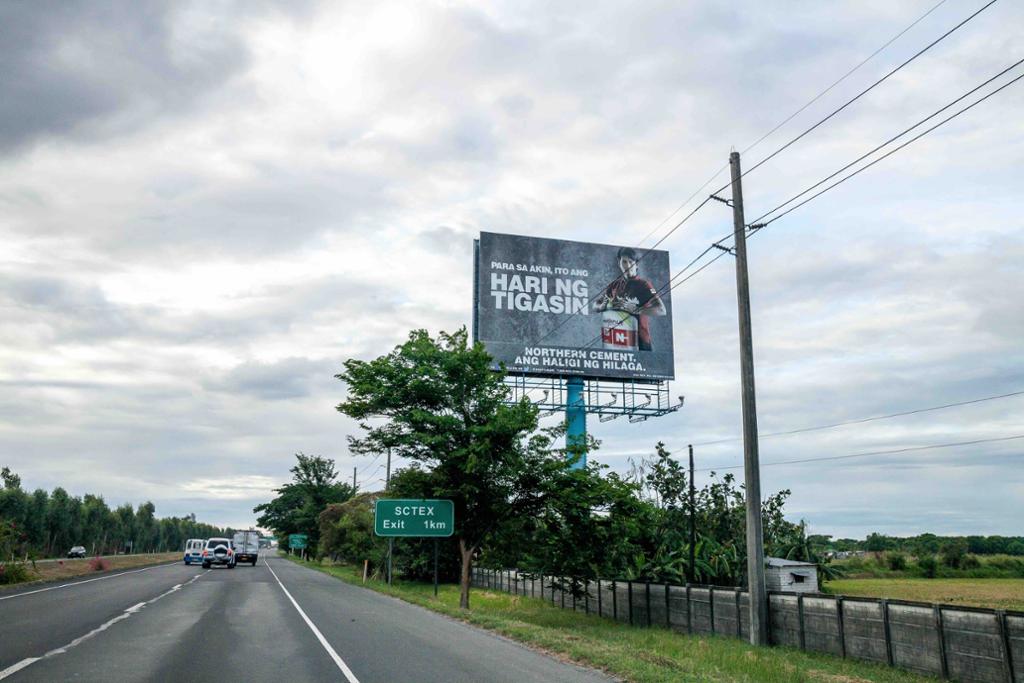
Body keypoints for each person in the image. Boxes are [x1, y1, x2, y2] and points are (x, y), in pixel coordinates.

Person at [593, 247, 666, 351]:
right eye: (624, 262)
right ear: (619, 263)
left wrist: (636, 310)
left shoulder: (645, 285)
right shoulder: (614, 285)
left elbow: (661, 310)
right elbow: (595, 305)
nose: (627, 266)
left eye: (631, 262)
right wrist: (602, 306)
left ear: (636, 264)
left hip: (640, 342)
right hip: (617, 342)